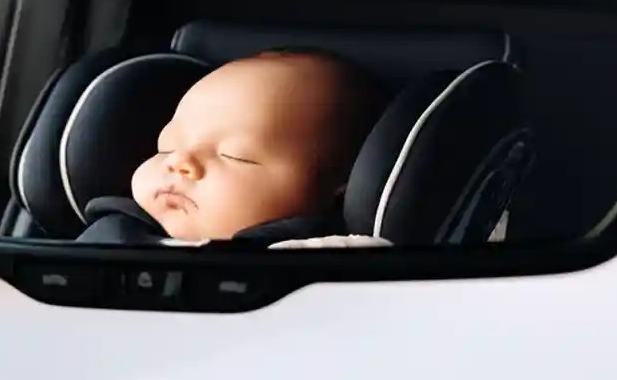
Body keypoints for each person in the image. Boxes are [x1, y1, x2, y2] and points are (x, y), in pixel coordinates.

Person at [76, 46, 390, 247]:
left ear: (339, 189)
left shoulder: (329, 263)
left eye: (236, 156)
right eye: (167, 146)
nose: (180, 161)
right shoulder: (106, 237)